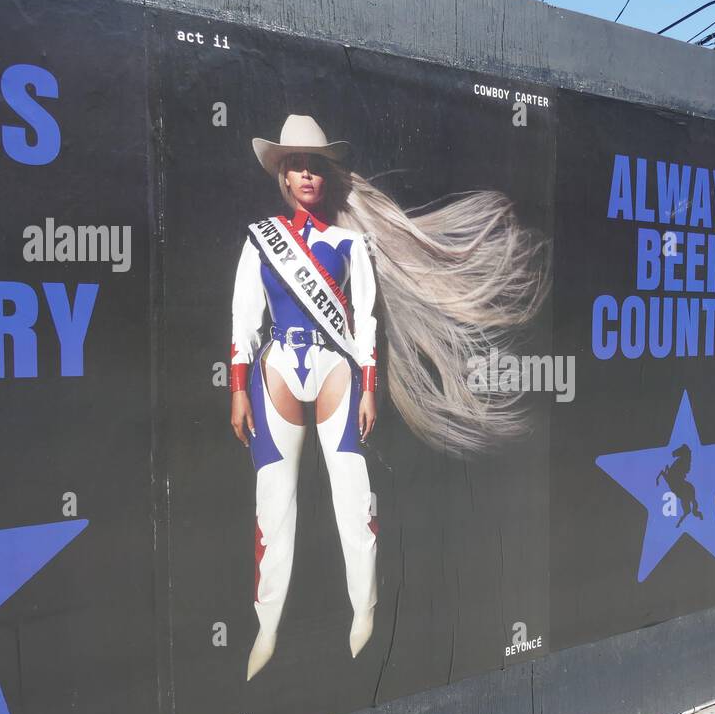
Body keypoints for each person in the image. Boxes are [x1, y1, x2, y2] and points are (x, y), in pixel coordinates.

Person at [230, 115, 547, 680]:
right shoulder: (261, 240)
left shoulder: (350, 244)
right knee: (273, 508)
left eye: (315, 166)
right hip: (277, 366)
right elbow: (244, 321)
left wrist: (371, 389)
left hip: (334, 370)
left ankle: (364, 615)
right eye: (296, 166)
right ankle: (267, 626)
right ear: (282, 174)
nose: (306, 175)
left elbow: (367, 324)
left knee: (354, 502)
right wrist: (237, 391)